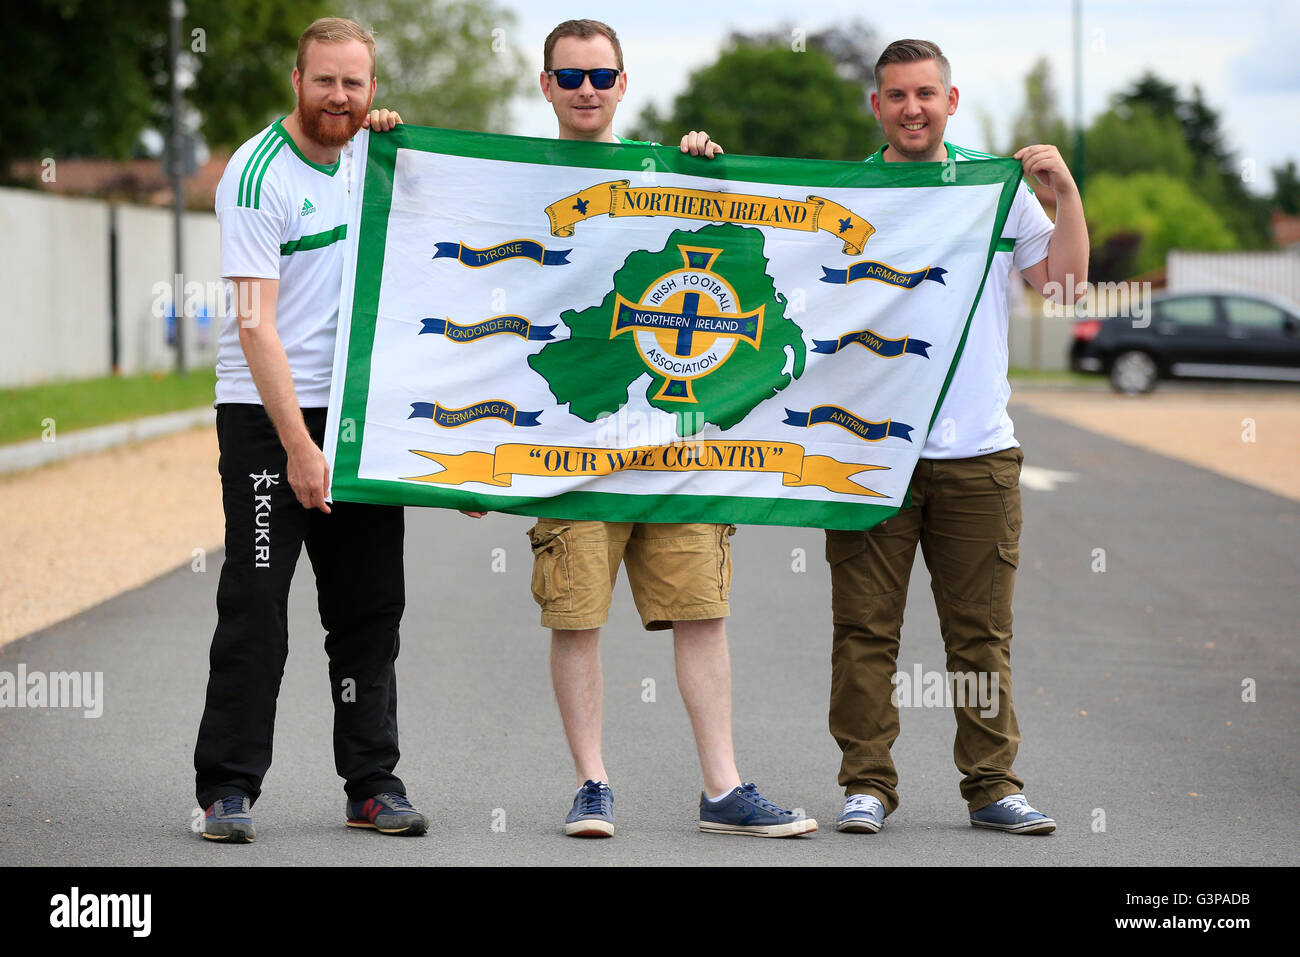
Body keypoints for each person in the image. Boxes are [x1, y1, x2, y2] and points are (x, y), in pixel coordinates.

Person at [466, 18, 816, 839]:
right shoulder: (500, 179)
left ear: (624, 83)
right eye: (570, 76)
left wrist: (712, 168)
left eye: (601, 75)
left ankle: (723, 788)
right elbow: (453, 289)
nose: (586, 89)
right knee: (577, 617)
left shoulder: (674, 174)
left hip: (679, 451)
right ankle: (592, 783)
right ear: (544, 85)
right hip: (571, 449)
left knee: (702, 613)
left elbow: (752, 240)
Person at [826, 39, 1088, 836]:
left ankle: (992, 785)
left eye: (926, 94)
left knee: (980, 637)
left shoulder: (994, 189)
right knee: (864, 630)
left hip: (976, 452)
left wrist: (1064, 193)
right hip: (868, 452)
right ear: (876, 106)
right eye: (897, 95)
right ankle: (866, 783)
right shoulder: (843, 194)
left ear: (952, 100)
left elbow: (1069, 287)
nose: (912, 108)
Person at [194, 17, 425, 843]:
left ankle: (372, 783)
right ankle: (225, 788)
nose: (340, 97)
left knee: (370, 607)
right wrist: (299, 448)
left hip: (359, 415)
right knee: (256, 603)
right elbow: (256, 328)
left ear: (373, 90)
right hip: (266, 414)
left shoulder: (377, 153)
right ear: (297, 80)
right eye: (325, 81)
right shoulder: (256, 176)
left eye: (355, 84)